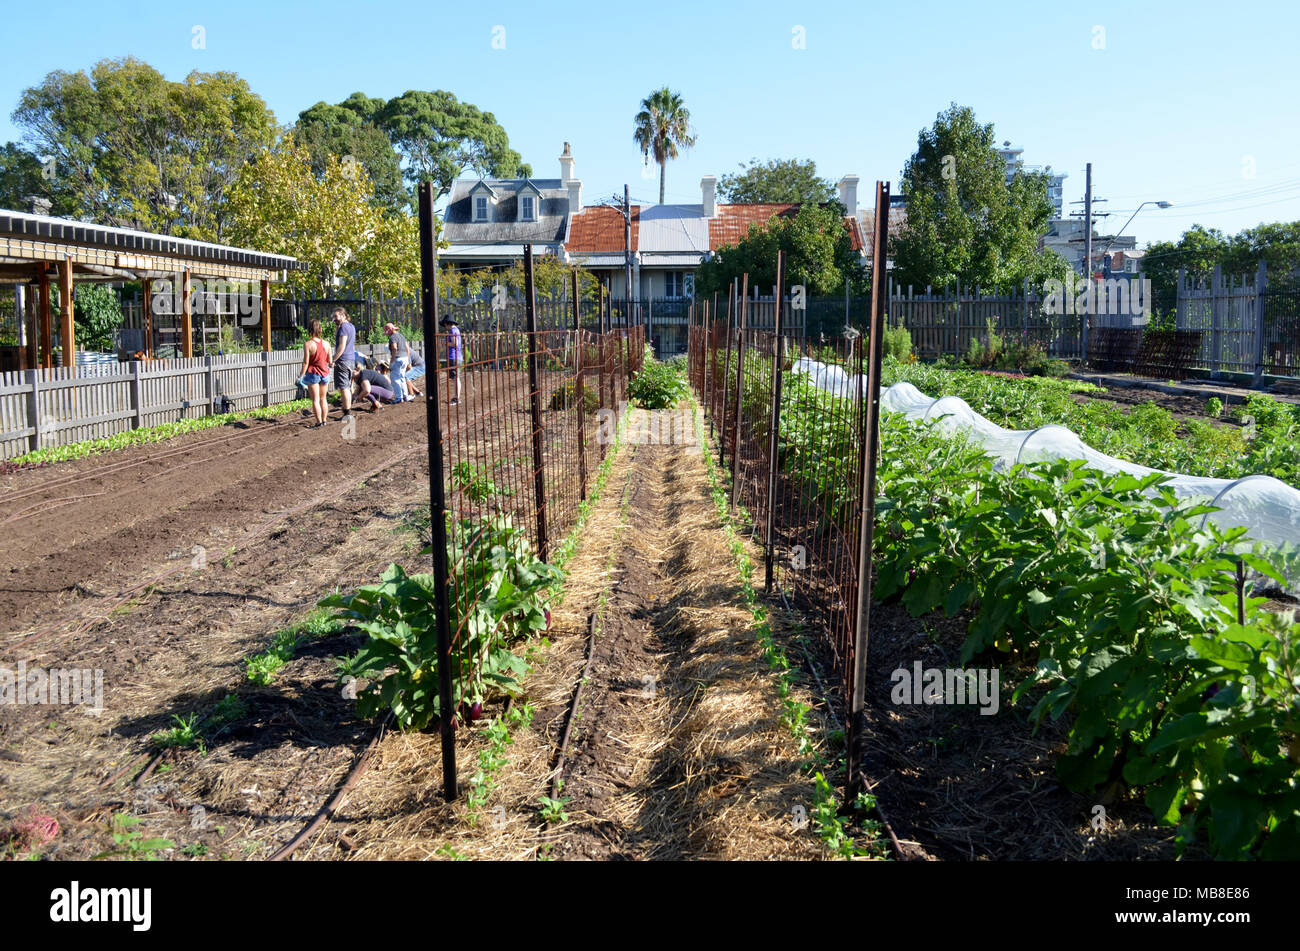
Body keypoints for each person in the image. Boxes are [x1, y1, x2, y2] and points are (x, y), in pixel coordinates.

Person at [299, 319, 332, 427]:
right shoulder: (327, 344)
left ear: (310, 330)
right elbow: (330, 361)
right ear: (320, 330)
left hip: (313, 374)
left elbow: (305, 362)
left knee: (315, 400)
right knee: (323, 398)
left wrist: (301, 376)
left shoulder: (308, 344)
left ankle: (319, 422)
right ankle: (324, 420)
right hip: (325, 373)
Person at [332, 307, 356, 421]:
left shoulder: (344, 328)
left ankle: (347, 414)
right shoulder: (351, 326)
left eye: (336, 316)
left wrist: (333, 359)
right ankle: (348, 410)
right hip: (351, 359)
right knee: (349, 386)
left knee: (344, 388)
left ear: (343, 315)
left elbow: (342, 346)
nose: (334, 318)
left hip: (343, 361)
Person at [385, 323, 413, 403]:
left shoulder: (393, 337)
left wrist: (392, 360)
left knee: (395, 378)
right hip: (404, 358)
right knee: (402, 377)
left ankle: (398, 398)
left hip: (398, 358)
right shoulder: (401, 336)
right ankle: (405, 396)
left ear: (390, 330)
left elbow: (394, 348)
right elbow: (407, 348)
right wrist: (408, 359)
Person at [441, 315, 463, 405]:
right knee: (456, 378)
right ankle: (456, 397)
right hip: (456, 357)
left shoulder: (453, 331)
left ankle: (456, 398)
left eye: (445, 325)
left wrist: (445, 342)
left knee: (455, 378)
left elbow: (455, 343)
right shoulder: (456, 330)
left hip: (454, 357)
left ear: (447, 323)